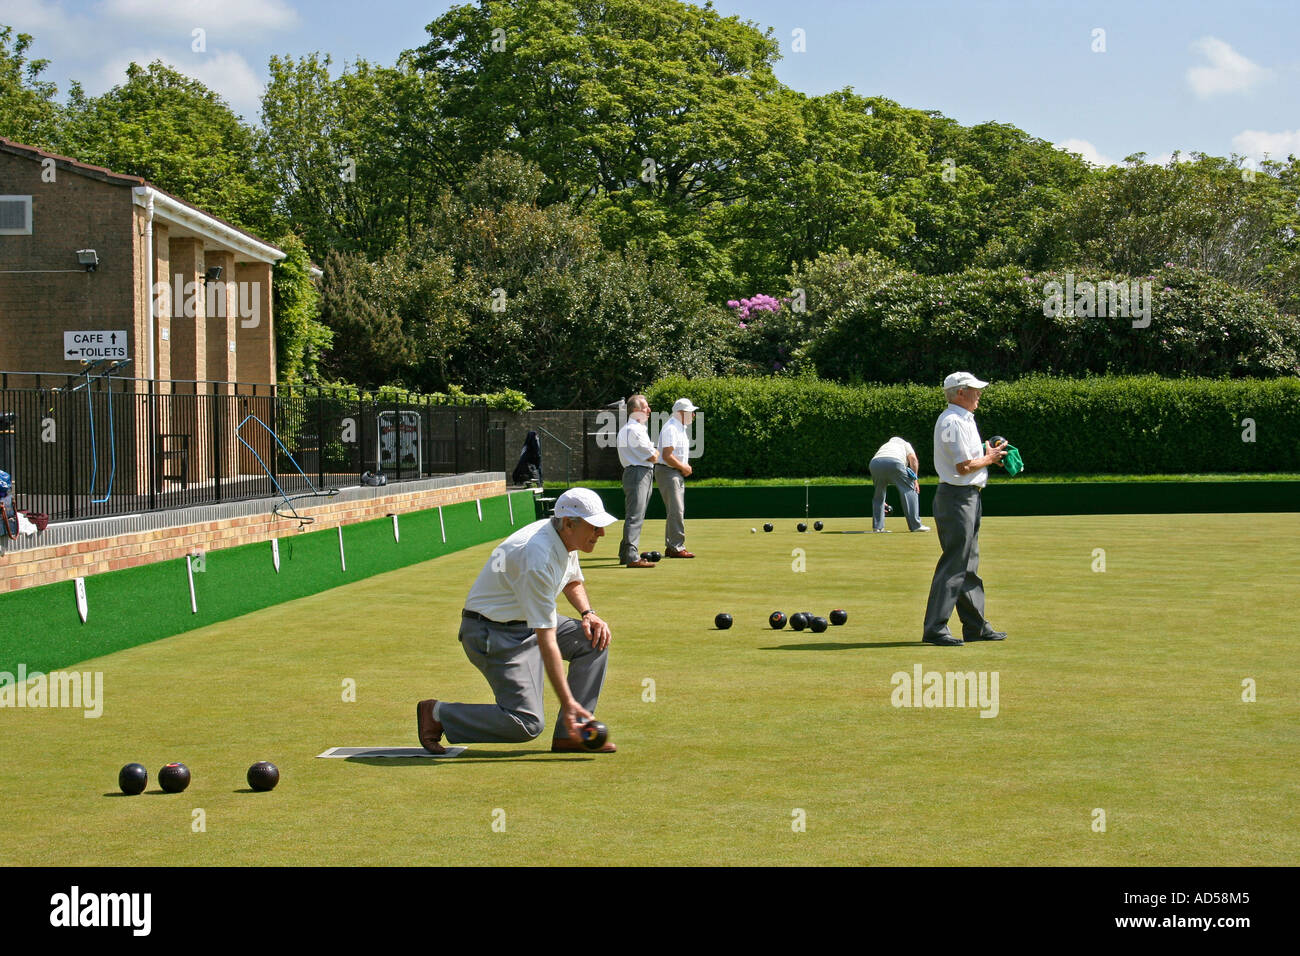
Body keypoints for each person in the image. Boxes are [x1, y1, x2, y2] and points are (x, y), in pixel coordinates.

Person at [417, 487, 618, 753]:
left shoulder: (564, 537)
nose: (601, 533)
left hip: (523, 623)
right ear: (570, 523)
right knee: (527, 723)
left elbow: (572, 580)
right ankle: (438, 714)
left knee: (593, 640)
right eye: (595, 527)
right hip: (491, 632)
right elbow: (547, 642)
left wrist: (588, 614)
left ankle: (571, 735)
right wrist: (569, 703)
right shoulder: (538, 556)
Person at [922, 372, 1009, 647]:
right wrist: (989, 458)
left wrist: (986, 453)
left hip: (969, 496)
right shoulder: (951, 422)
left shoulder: (965, 420)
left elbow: (971, 459)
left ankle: (976, 626)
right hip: (956, 497)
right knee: (954, 564)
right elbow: (963, 467)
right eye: (974, 390)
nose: (979, 394)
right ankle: (935, 629)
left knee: (968, 563)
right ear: (960, 393)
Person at [616, 395, 659, 567]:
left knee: (636, 514)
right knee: (635, 515)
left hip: (640, 472)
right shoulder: (633, 430)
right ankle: (631, 557)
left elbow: (653, 454)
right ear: (635, 410)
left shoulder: (636, 429)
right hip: (637, 473)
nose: (649, 410)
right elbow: (653, 455)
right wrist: (654, 452)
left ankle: (625, 553)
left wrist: (654, 453)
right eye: (645, 407)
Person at [655, 398, 698, 558]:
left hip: (673, 472)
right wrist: (684, 467)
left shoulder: (679, 427)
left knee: (675, 510)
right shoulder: (672, 428)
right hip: (668, 471)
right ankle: (676, 547)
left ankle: (672, 546)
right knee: (676, 510)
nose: (693, 415)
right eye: (690, 412)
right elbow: (667, 456)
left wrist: (681, 468)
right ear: (681, 413)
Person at [869, 436, 930, 533]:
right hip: (895, 462)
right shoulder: (905, 444)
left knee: (878, 496)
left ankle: (877, 527)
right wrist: (915, 480)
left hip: (875, 463)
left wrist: (880, 495)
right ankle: (915, 525)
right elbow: (913, 459)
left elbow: (881, 463)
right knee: (910, 490)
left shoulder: (885, 446)